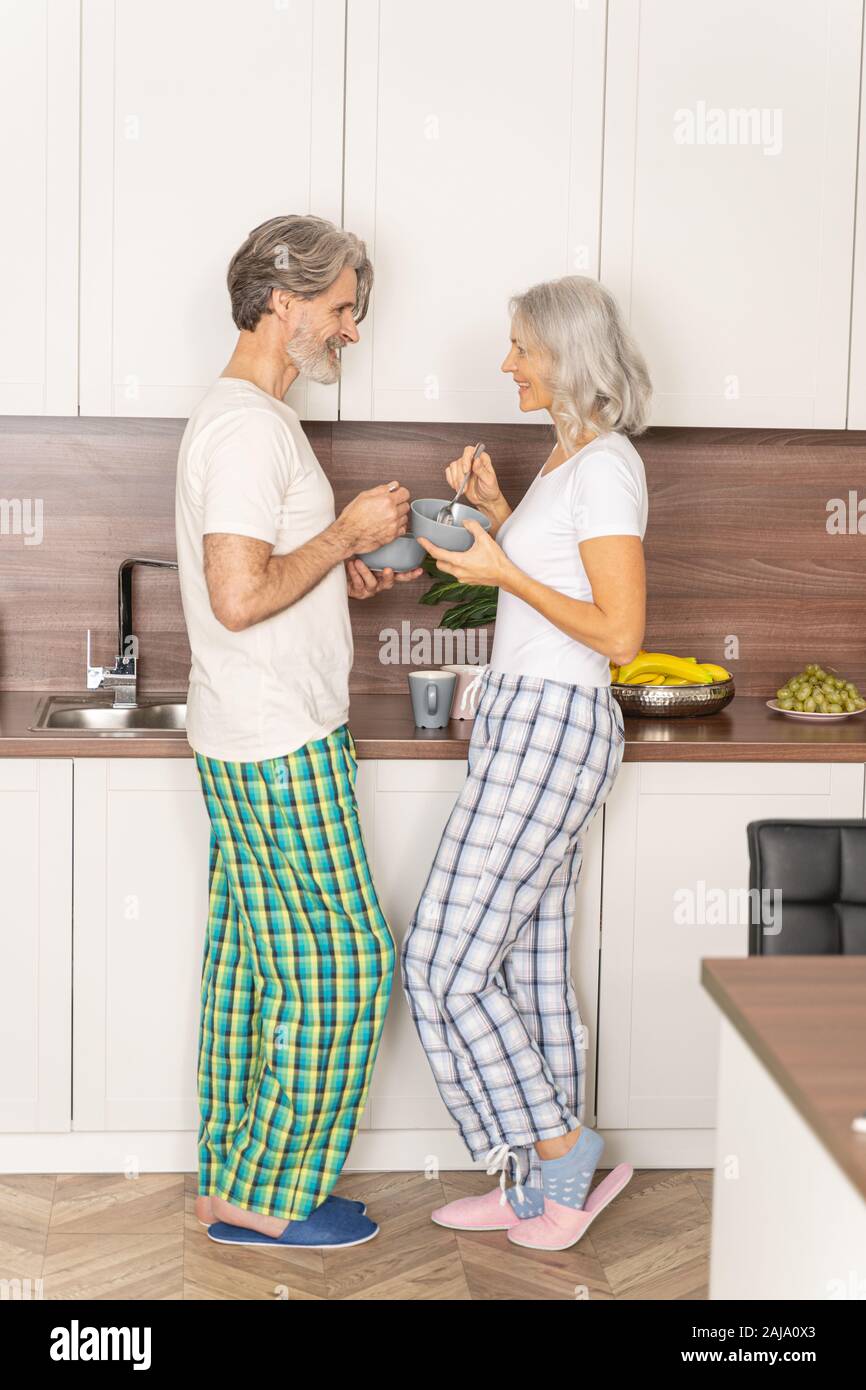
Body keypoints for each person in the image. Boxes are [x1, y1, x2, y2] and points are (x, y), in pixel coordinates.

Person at [175, 214, 421, 1250]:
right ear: (285, 301)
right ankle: (273, 1195)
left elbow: (263, 576)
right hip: (280, 741)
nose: (350, 331)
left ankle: (232, 1179)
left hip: (247, 731)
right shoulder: (247, 430)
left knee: (253, 962)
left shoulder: (249, 420)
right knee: (349, 961)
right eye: (340, 309)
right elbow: (236, 597)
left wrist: (339, 569)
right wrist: (343, 533)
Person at [401, 275, 651, 1251]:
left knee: (442, 968)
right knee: (530, 965)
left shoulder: (606, 468)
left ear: (564, 355)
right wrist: (501, 518)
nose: (504, 362)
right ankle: (532, 1193)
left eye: (517, 346)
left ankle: (562, 1152)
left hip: (553, 726)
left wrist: (499, 567)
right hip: (527, 720)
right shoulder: (567, 461)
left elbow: (621, 633)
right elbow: (558, 590)